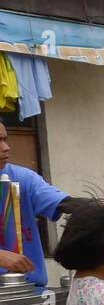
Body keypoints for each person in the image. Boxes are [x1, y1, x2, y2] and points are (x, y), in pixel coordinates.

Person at [0, 122, 71, 289]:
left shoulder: (22, 178)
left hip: (31, 292)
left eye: (5, 139)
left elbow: (61, 202)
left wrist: (87, 206)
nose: (6, 147)